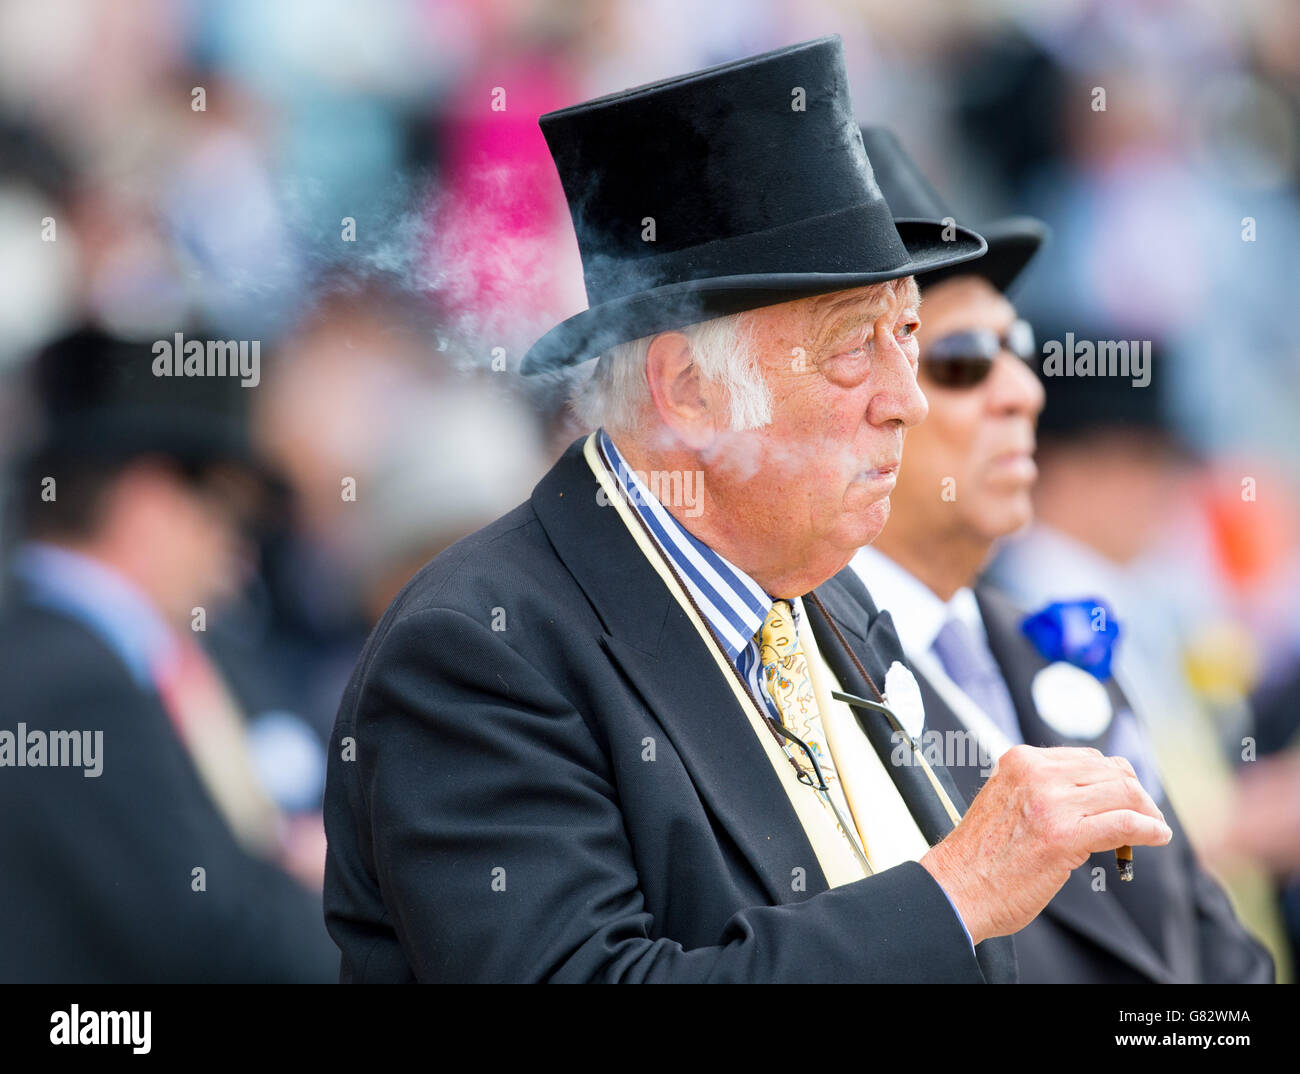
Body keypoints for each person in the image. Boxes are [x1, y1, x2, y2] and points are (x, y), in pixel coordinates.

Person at [322, 36, 1171, 983]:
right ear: (686, 389)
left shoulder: (827, 595)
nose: (909, 398)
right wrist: (956, 891)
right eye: (855, 347)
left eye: (909, 335)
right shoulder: (482, 649)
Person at [846, 127, 1273, 982]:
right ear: (862, 400)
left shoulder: (1056, 646)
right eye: (964, 361)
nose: (1024, 391)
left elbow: (1209, 947)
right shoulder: (810, 664)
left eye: (1020, 349)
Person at [0, 327, 338, 983]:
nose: (238, 559)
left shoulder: (189, 655)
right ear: (148, 500)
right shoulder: (70, 684)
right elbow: (213, 936)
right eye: (228, 516)